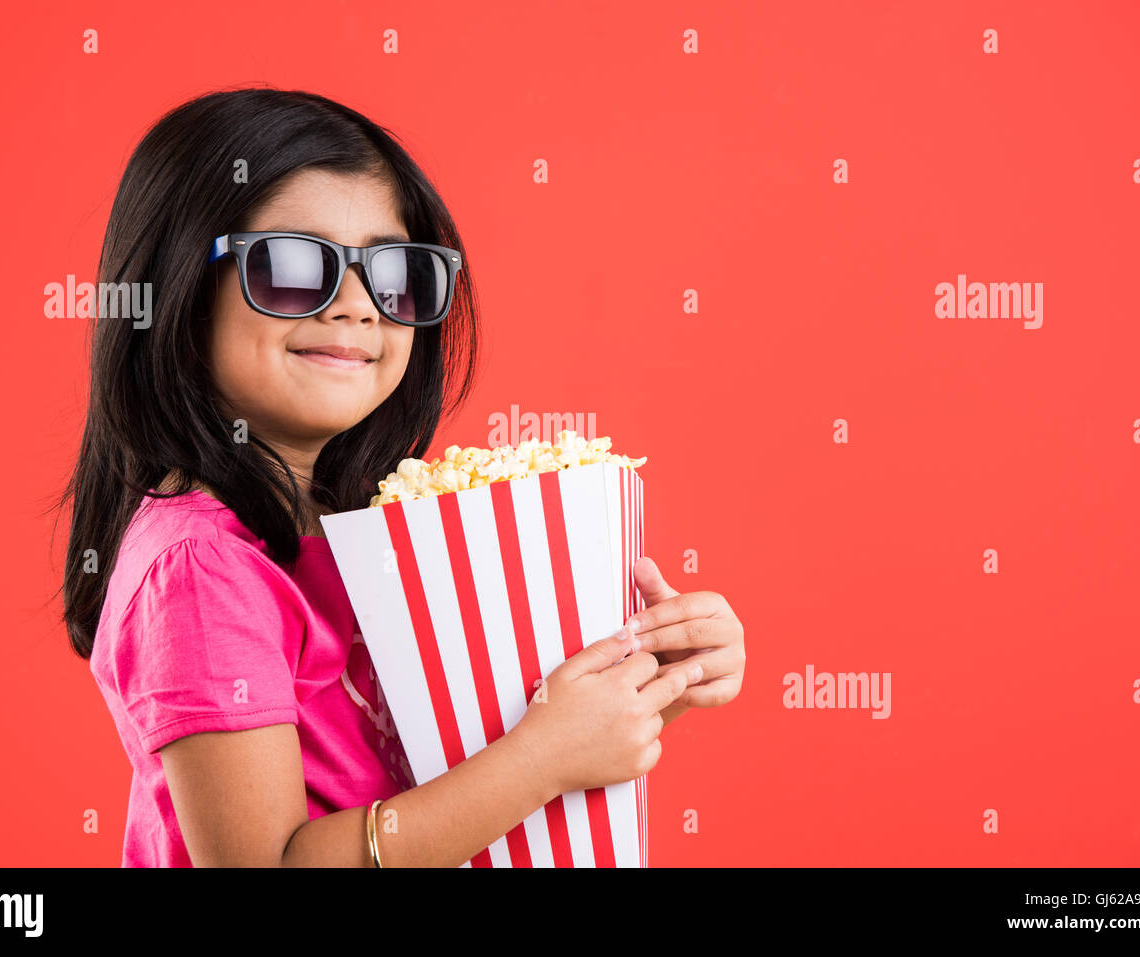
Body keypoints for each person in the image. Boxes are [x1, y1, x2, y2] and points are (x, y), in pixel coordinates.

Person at [57, 88, 746, 867]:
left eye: (394, 272)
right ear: (178, 286)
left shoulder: (361, 524)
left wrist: (643, 688)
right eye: (290, 265)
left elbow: (445, 775)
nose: (357, 307)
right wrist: (543, 758)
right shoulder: (201, 564)